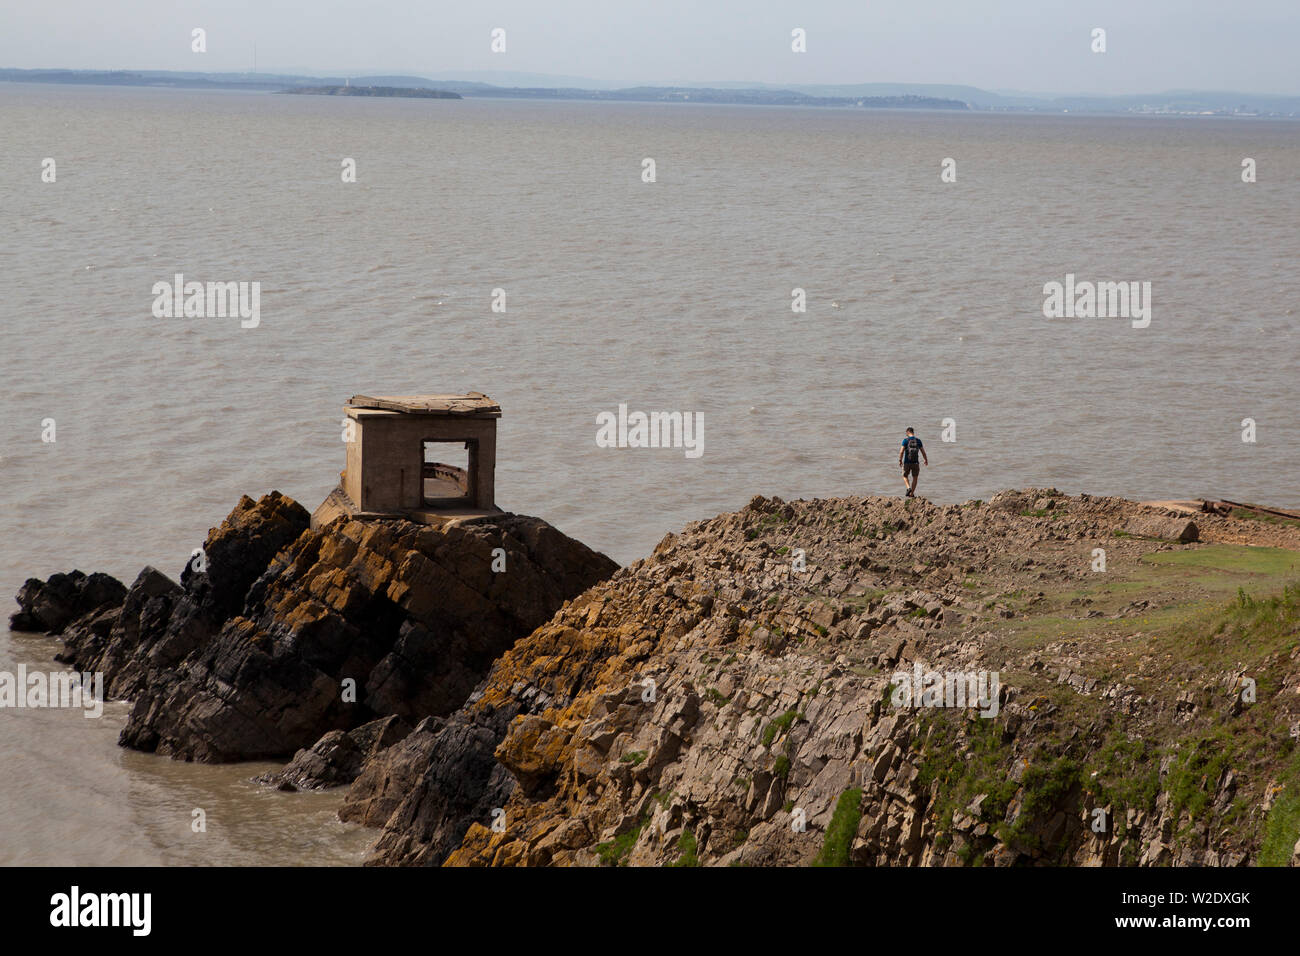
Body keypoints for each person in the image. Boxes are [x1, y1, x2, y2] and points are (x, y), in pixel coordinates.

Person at [898, 427, 928, 497]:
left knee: (904, 476)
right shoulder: (918, 441)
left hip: (907, 463)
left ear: (907, 432)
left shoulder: (905, 441)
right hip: (915, 463)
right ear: (913, 432)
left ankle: (908, 488)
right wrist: (926, 460)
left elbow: (901, 452)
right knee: (915, 477)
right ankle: (911, 494)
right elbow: (923, 452)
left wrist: (900, 460)